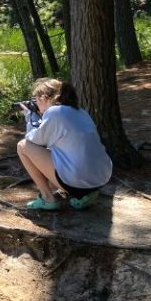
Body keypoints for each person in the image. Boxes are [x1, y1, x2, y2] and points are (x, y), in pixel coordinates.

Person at [16, 78, 113, 210]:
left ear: (44, 98)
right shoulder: (80, 111)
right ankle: (85, 194)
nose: (36, 105)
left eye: (36, 100)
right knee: (56, 152)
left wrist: (30, 117)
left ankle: (47, 198)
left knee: (22, 146)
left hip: (76, 181)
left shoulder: (54, 112)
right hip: (101, 177)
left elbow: (33, 140)